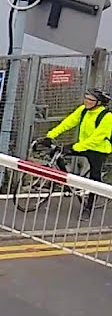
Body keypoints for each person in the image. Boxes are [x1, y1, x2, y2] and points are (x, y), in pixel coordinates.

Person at [44, 88, 112, 219]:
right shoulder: (83, 110)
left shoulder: (107, 117)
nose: (86, 101)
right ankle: (68, 182)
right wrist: (50, 135)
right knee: (57, 152)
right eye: (85, 98)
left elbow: (97, 138)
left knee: (94, 179)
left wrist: (75, 147)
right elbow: (67, 123)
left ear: (98, 103)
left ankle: (88, 208)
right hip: (83, 146)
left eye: (90, 100)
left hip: (98, 149)